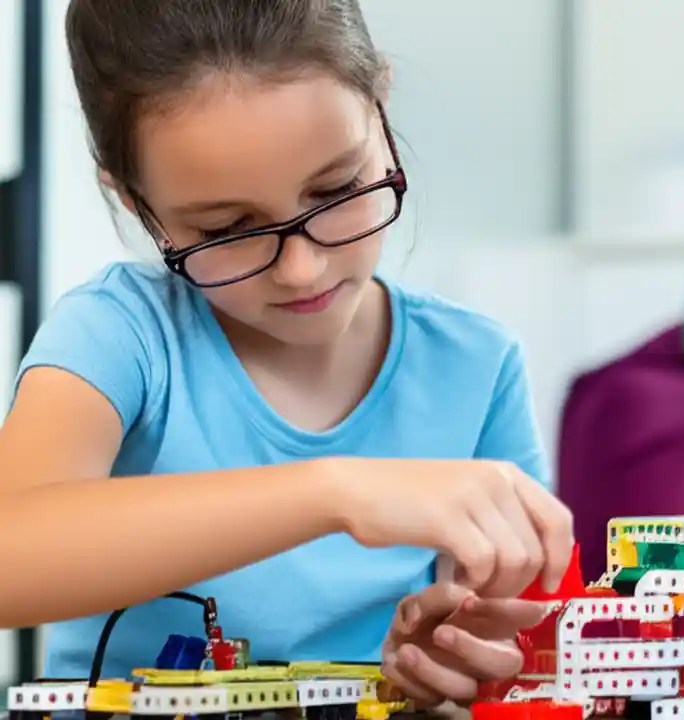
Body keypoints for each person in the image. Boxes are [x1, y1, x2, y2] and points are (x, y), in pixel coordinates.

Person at [0, 0, 574, 703]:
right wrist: (336, 492)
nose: (301, 269)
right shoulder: (118, 334)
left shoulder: (476, 365)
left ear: (379, 106)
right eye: (227, 227)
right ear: (132, 200)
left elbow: (524, 643)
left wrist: (459, 659)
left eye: (335, 190)